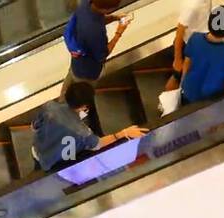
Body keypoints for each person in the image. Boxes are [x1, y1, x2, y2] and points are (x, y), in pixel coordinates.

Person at [30, 82, 147, 171]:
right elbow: (97, 144)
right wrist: (123, 133)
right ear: (83, 106)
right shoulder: (83, 132)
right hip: (55, 163)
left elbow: (34, 127)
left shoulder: (49, 107)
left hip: (37, 150)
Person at [62, 0, 132, 135]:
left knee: (70, 82)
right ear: (107, 9)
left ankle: (63, 102)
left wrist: (114, 18)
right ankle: (77, 125)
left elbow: (92, 19)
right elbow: (102, 55)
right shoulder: (95, 32)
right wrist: (119, 32)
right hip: (88, 72)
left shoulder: (84, 4)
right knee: (82, 97)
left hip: (76, 64)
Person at [166, 0, 211, 91]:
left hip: (198, 42)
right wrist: (177, 59)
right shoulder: (192, 6)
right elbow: (179, 33)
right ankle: (167, 101)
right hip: (187, 46)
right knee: (177, 76)